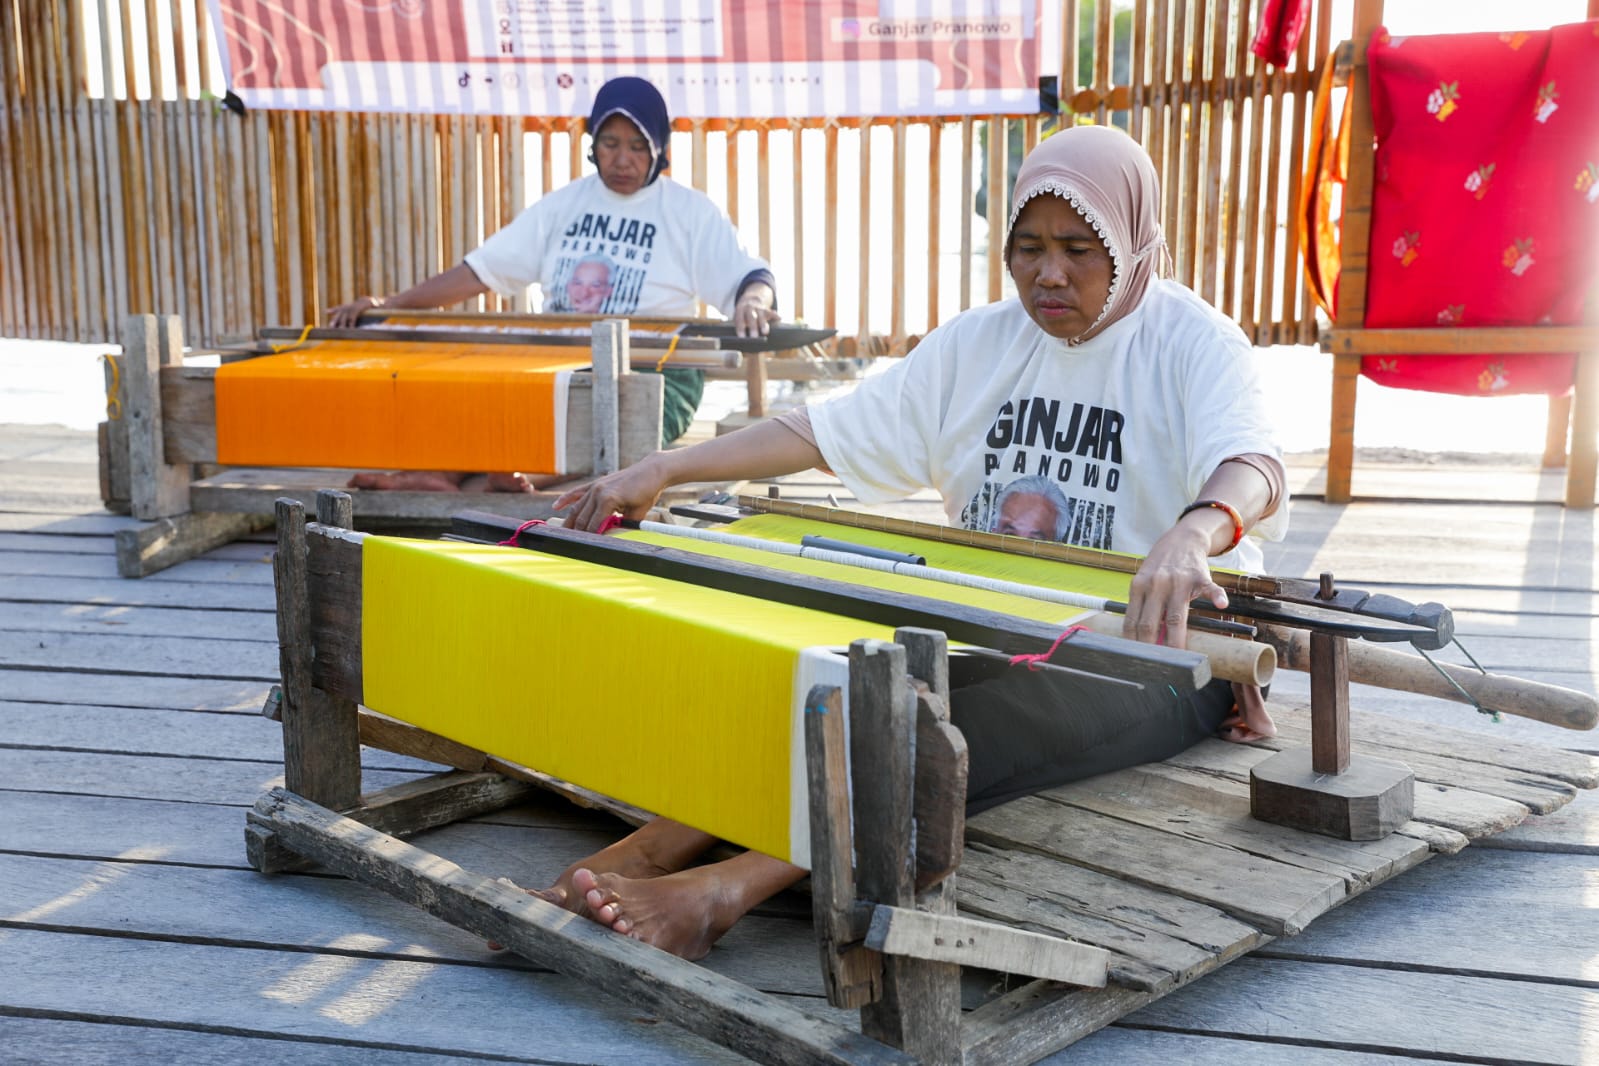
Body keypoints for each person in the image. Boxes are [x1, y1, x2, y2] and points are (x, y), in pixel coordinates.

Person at [507, 124, 1288, 961]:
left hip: (1152, 654)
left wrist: (1193, 532)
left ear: (1131, 242)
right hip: (991, 620)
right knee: (827, 684)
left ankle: (718, 891)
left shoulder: (1191, 343)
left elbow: (1255, 466)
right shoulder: (978, 345)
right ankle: (649, 850)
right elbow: (820, 429)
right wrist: (663, 468)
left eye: (1077, 249)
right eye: (1025, 248)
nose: (1047, 274)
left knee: (944, 723)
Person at [327, 76, 780, 492]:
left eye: (638, 146)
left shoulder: (690, 213)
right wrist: (390, 303)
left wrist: (753, 303)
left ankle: (522, 476)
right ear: (592, 146)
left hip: (654, 368)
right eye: (609, 143)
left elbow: (750, 277)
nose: (623, 159)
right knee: (485, 389)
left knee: (623, 418)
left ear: (661, 148)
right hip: (558, 362)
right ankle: (433, 476)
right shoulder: (563, 206)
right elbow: (478, 271)